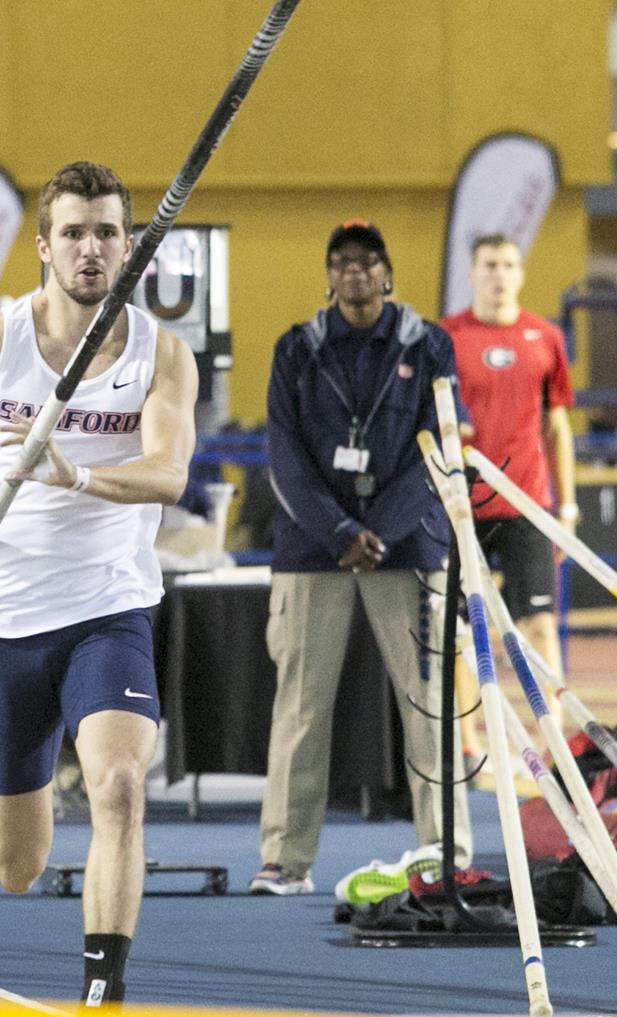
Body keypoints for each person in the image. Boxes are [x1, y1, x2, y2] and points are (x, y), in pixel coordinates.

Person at [0, 161, 197, 1008]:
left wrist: (75, 475)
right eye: (74, 233)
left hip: (108, 610)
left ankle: (102, 997)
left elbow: (168, 475)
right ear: (45, 248)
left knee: (120, 789)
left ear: (129, 248)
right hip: (4, 619)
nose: (91, 248)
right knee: (17, 866)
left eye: (106, 233)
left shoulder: (162, 355)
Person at [251, 219, 473, 896]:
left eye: (368, 261)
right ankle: (285, 860)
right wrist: (341, 531)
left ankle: (446, 852)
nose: (355, 271)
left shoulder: (429, 345)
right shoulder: (297, 349)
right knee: (300, 709)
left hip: (407, 548)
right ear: (329, 277)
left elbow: (441, 442)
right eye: (342, 261)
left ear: (388, 275)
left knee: (429, 704)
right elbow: (284, 456)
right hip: (314, 551)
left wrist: (380, 528)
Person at [441, 233, 576, 690]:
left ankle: (552, 725)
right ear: (472, 274)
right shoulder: (445, 338)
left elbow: (557, 428)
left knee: (540, 625)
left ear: (521, 274)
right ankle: (466, 732)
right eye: (490, 265)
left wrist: (568, 507)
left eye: (508, 265)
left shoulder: (546, 338)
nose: (499, 275)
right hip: (461, 506)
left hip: (526, 504)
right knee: (460, 634)